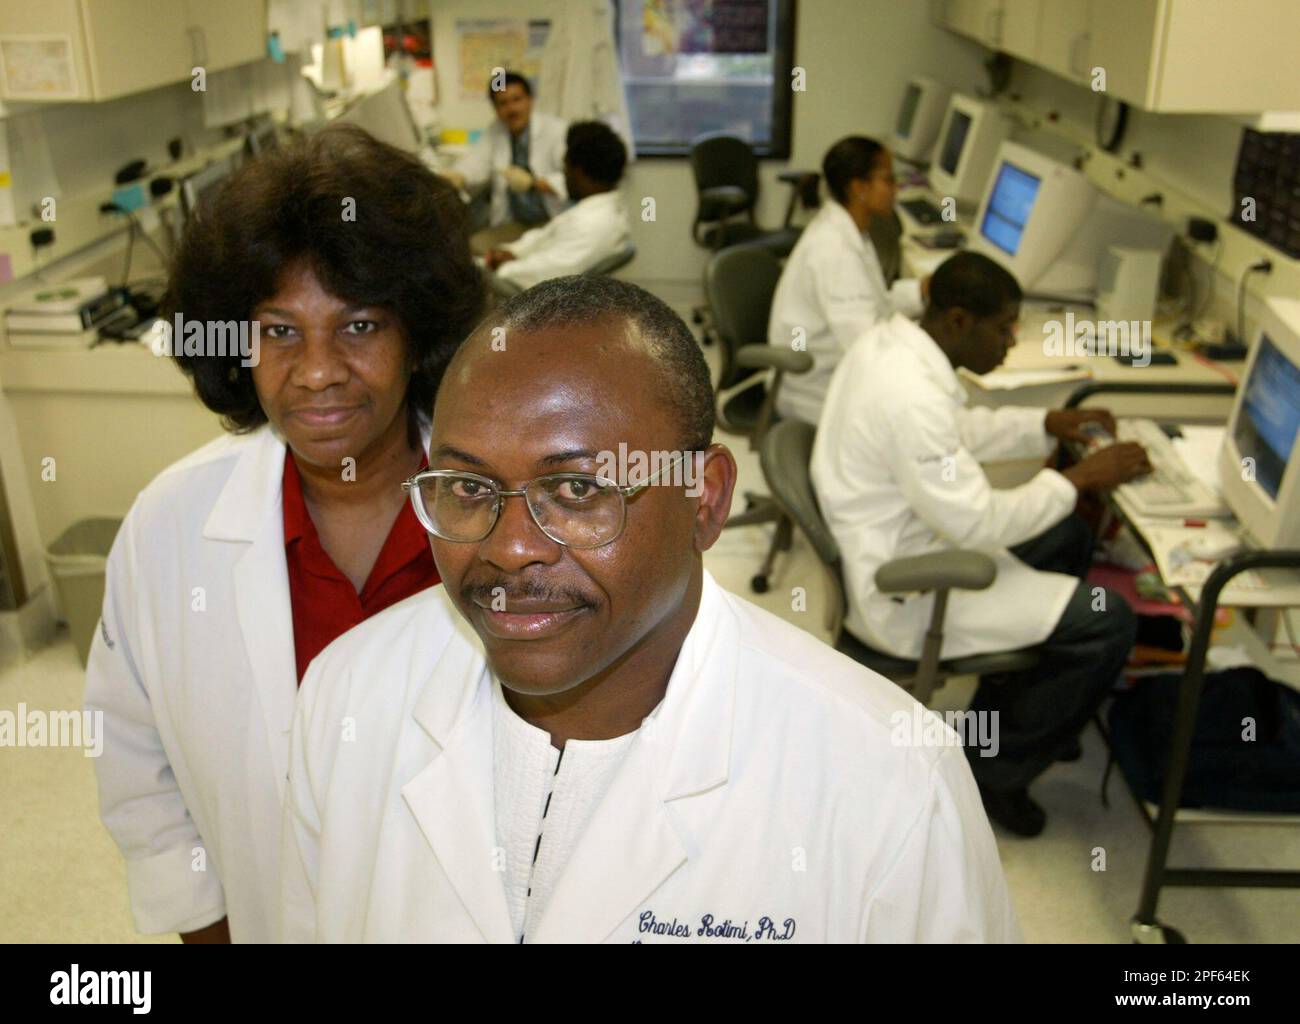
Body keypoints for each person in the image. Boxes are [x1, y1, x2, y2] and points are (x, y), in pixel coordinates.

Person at [279, 275, 1020, 944]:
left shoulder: (888, 783)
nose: (508, 551)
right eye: (469, 489)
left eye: (575, 491)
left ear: (705, 499)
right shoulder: (348, 696)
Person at [84, 125, 482, 943]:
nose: (318, 370)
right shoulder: (173, 526)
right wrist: (208, 926)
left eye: (360, 326)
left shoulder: (502, 515)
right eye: (279, 331)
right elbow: (133, 753)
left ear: (419, 332)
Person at [811, 251, 1150, 838]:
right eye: (1005, 328)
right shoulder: (910, 395)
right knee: (1109, 622)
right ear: (960, 320)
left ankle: (1021, 708)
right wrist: (1078, 480)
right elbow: (978, 523)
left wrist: (1046, 423)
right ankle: (997, 771)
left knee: (1066, 533)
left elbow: (954, 434)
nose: (1012, 342)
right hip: (912, 585)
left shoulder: (894, 346)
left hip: (902, 541)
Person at [768, 136, 928, 425]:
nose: (897, 189)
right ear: (859, 188)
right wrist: (929, 343)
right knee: (913, 418)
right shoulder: (835, 250)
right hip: (815, 388)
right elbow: (867, 346)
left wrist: (922, 291)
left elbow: (872, 304)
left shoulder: (849, 230)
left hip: (832, 369)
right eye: (889, 180)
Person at [483, 121, 630, 296]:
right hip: (522, 272)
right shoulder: (595, 209)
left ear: (578, 171)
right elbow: (544, 237)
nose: (564, 174)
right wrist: (513, 251)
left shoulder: (592, 223)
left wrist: (502, 266)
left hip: (520, 292)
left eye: (565, 166)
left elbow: (546, 276)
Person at [444, 71, 569, 254]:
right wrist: (457, 176)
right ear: (495, 109)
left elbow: (574, 180)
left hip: (552, 220)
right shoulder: (496, 131)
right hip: (516, 224)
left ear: (530, 100)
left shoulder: (557, 130)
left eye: (517, 99)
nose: (511, 109)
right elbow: (476, 161)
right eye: (503, 103)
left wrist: (534, 184)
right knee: (474, 248)